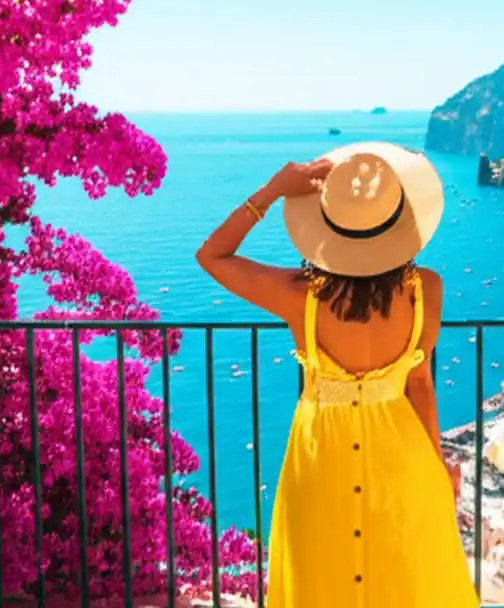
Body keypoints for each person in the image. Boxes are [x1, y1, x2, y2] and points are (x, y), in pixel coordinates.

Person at [195, 142, 479, 608]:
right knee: (407, 581)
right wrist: (438, 464)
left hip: (319, 459)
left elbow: (213, 256)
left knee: (320, 580)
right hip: (404, 460)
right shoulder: (426, 289)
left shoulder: (298, 296)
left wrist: (270, 192)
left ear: (328, 227)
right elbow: (420, 384)